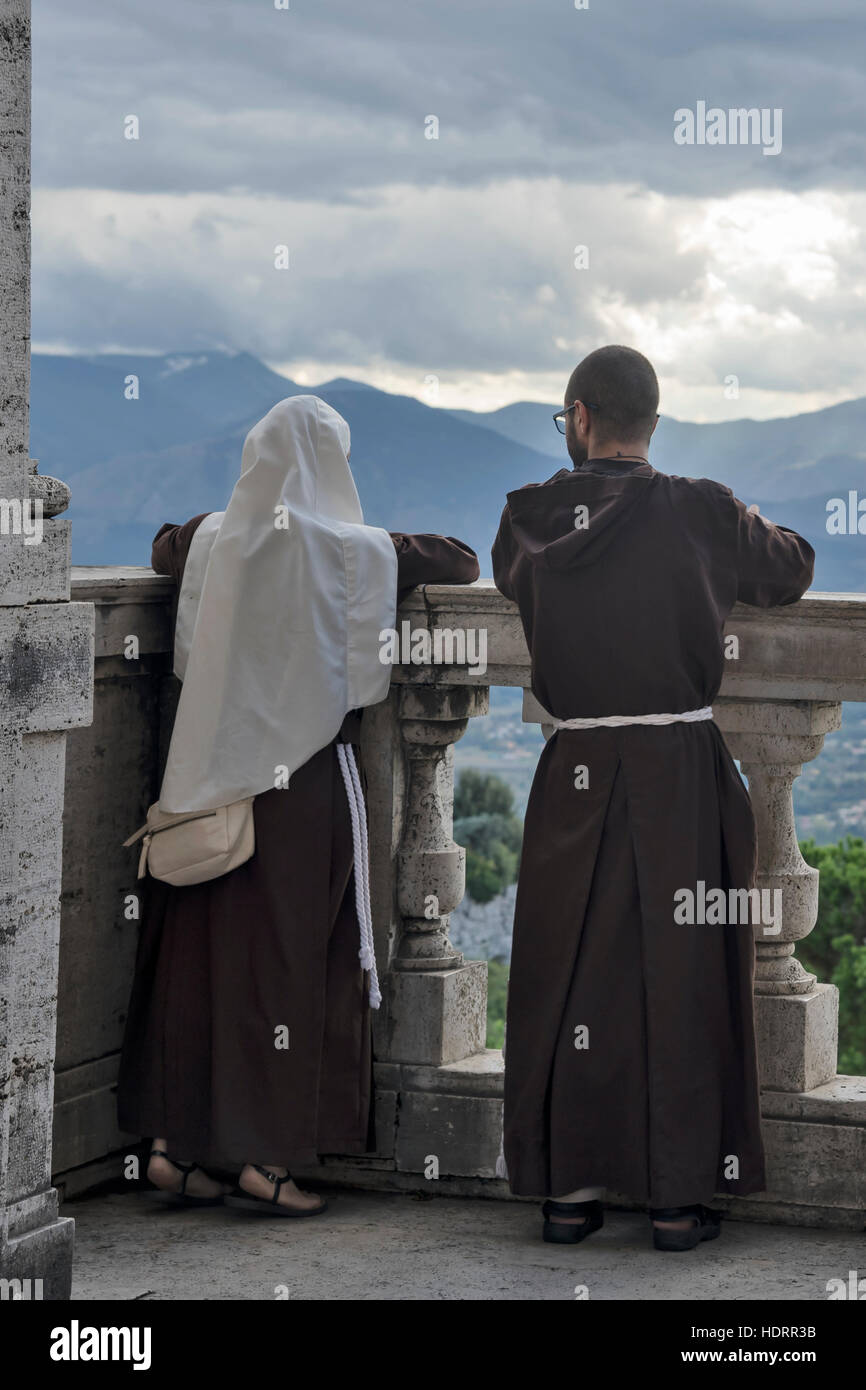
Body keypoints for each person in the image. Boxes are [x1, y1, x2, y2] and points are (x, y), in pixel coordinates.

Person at [118, 394, 479, 1216]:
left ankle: (173, 1149)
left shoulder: (211, 539)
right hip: (301, 792)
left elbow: (163, 542)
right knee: (288, 970)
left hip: (208, 785)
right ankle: (267, 1162)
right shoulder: (356, 551)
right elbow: (457, 560)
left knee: (197, 963)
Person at [492, 345, 814, 1252]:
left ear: (581, 418)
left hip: (577, 771)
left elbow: (521, 575)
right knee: (682, 982)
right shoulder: (702, 509)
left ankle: (566, 1192)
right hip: (679, 767)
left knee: (568, 975)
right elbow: (790, 568)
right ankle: (677, 1199)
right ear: (652, 425)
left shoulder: (524, 519)